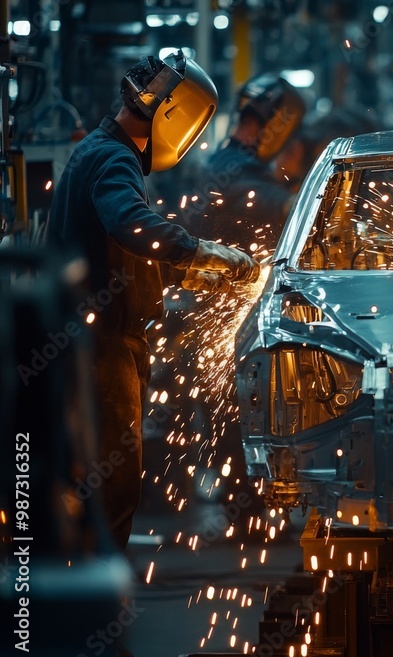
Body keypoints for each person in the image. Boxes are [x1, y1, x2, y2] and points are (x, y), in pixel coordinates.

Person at [43, 52, 260, 551]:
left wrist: (190, 273)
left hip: (89, 338)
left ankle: (84, 588)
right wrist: (202, 251)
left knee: (95, 472)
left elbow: (119, 251)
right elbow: (131, 226)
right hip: (100, 346)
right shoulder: (114, 158)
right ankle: (95, 601)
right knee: (113, 479)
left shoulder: (101, 150)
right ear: (173, 114)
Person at [199, 73, 306, 254]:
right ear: (280, 126)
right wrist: (296, 205)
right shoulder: (241, 171)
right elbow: (260, 196)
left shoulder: (216, 159)